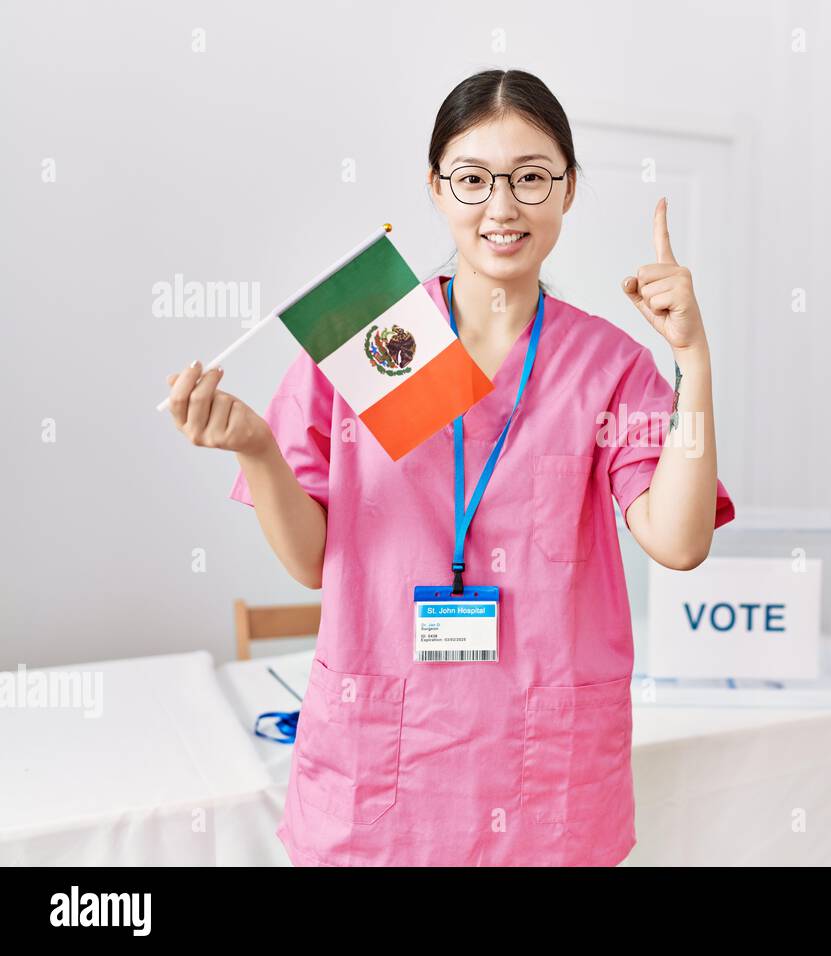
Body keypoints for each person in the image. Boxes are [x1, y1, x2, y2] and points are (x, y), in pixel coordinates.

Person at [163, 68, 734, 866]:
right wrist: (258, 449)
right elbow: (307, 563)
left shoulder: (607, 364)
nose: (502, 206)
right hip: (380, 777)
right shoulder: (369, 335)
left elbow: (679, 542)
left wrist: (693, 360)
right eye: (472, 179)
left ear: (568, 191)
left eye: (531, 177)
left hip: (543, 782)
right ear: (435, 189)